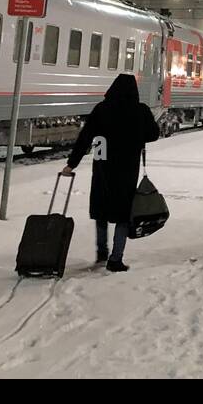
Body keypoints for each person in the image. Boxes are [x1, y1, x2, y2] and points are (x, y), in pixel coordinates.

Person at [61, 73, 160, 273]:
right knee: (123, 214)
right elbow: (154, 134)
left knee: (101, 210)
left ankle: (101, 253)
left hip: (102, 167)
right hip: (127, 169)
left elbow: (85, 138)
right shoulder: (140, 111)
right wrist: (136, 134)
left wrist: (72, 164)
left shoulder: (102, 109)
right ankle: (116, 259)